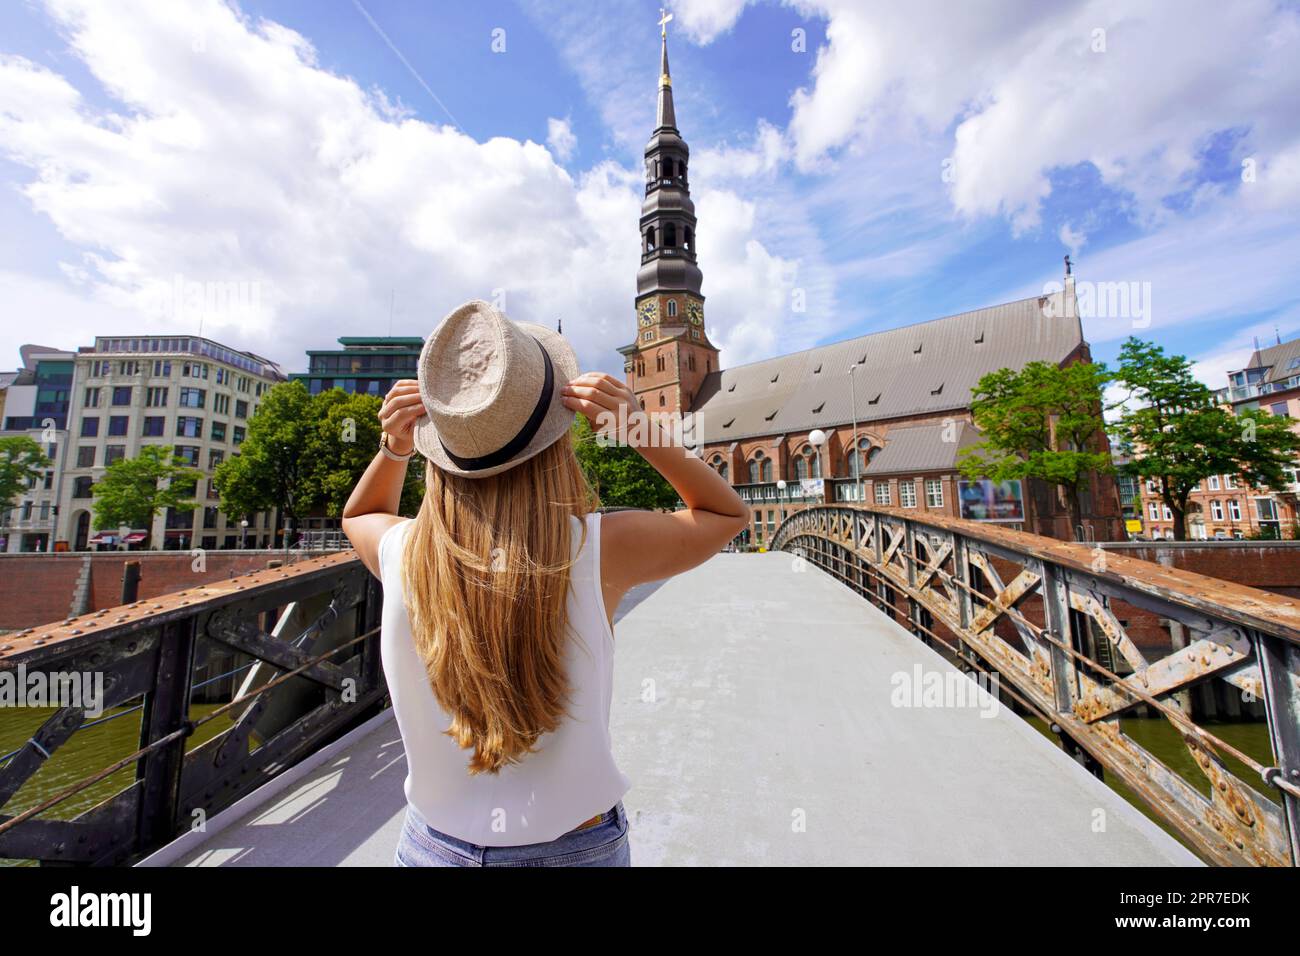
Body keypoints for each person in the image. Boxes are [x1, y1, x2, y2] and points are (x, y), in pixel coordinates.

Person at [342, 299, 750, 867]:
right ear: (555, 441)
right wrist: (636, 428)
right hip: (572, 847)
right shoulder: (600, 548)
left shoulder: (405, 552)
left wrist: (393, 448)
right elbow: (725, 515)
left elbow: (357, 516)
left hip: (433, 846)